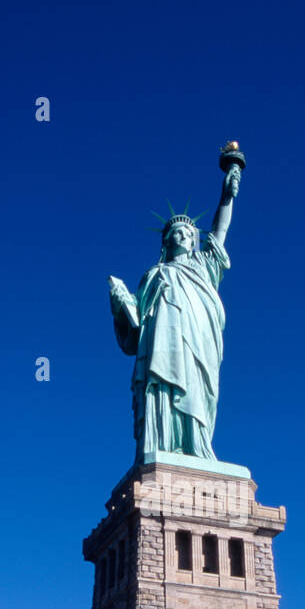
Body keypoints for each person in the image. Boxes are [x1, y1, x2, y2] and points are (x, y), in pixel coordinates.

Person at [110, 162, 241, 462]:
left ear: (195, 242)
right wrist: (121, 305)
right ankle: (165, 445)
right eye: (177, 233)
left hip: (200, 341)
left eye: (188, 233)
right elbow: (135, 330)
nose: (183, 236)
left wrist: (227, 196)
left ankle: (196, 446)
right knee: (163, 385)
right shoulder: (154, 274)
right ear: (165, 241)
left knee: (196, 387)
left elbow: (219, 231)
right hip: (162, 348)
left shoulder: (203, 268)